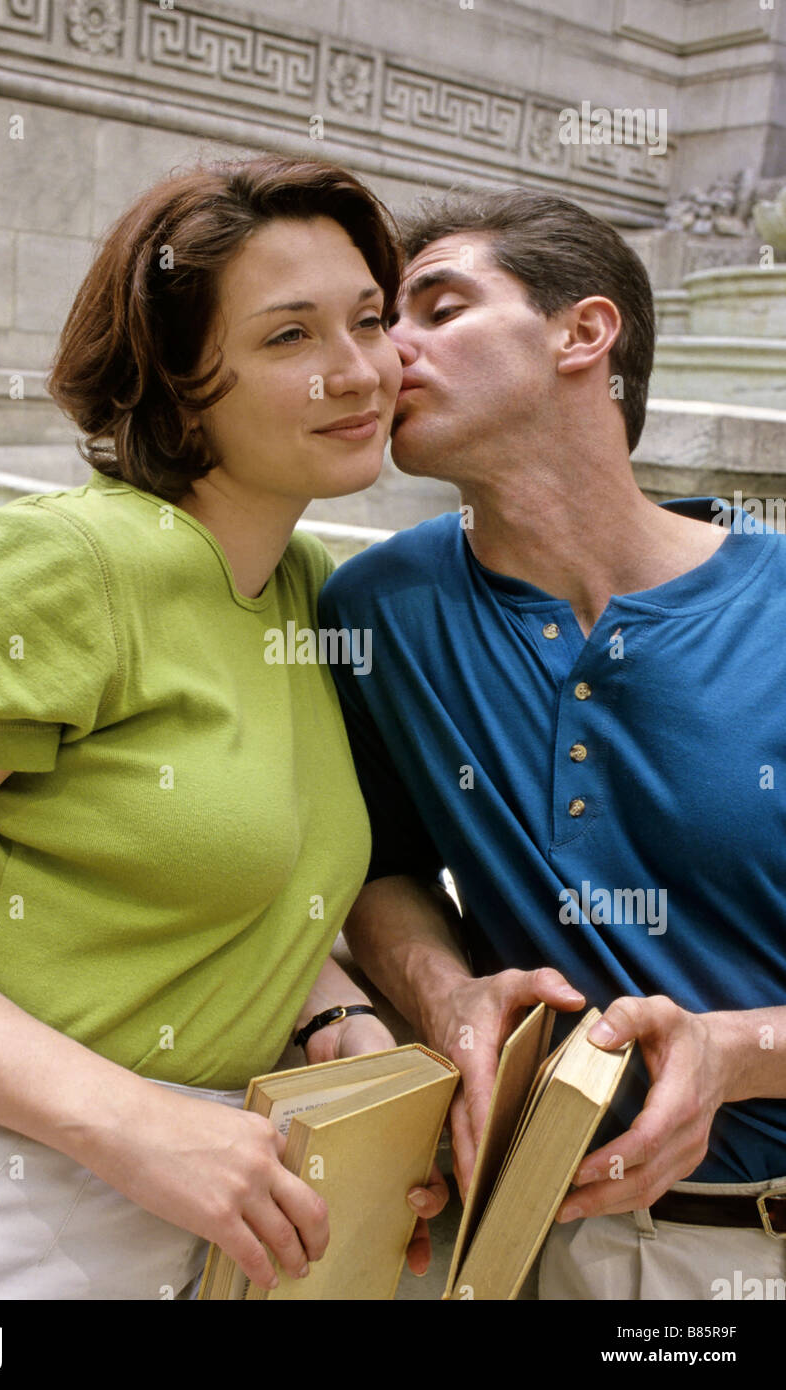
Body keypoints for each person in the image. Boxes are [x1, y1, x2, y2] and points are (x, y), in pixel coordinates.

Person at [0, 154, 430, 1300]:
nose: (357, 370)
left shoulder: (307, 592)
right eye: (287, 338)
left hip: (201, 1218)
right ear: (174, 382)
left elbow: (213, 883)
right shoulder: (63, 565)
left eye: (367, 319)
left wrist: (337, 1013)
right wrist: (130, 1121)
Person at [318, 186, 786, 1300]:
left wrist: (738, 1055)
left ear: (582, 334)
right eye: (389, 323)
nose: (390, 354)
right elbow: (379, 865)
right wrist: (443, 997)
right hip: (522, 1240)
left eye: (436, 308)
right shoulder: (378, 607)